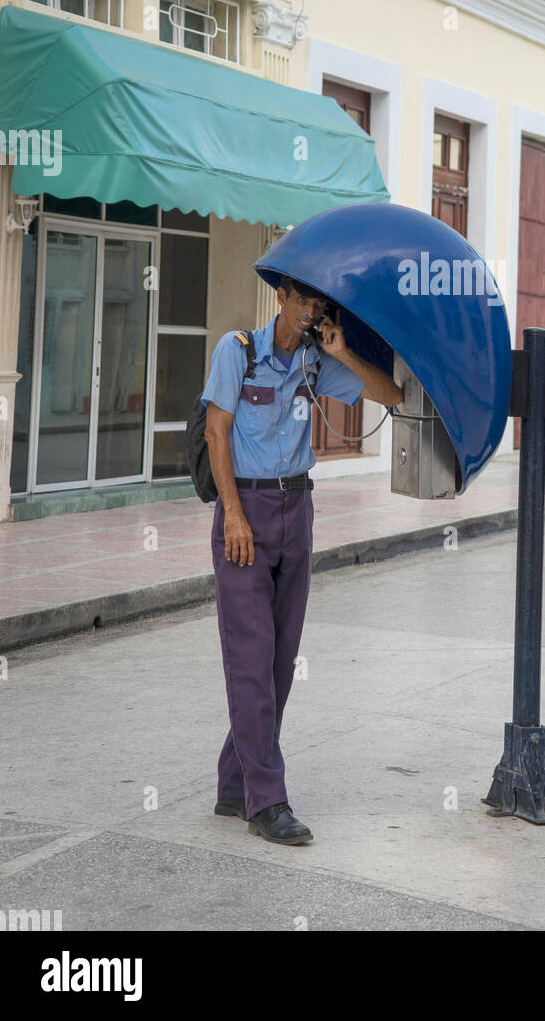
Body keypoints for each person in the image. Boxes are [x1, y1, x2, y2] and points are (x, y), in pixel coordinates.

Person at [202, 275, 404, 845]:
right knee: (250, 659)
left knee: (278, 661)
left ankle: (234, 782)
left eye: (319, 301)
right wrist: (234, 516)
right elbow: (217, 433)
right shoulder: (236, 351)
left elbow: (390, 396)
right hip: (246, 510)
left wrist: (342, 352)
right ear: (281, 299)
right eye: (303, 298)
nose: (312, 309)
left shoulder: (318, 363)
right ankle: (267, 801)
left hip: (298, 509)